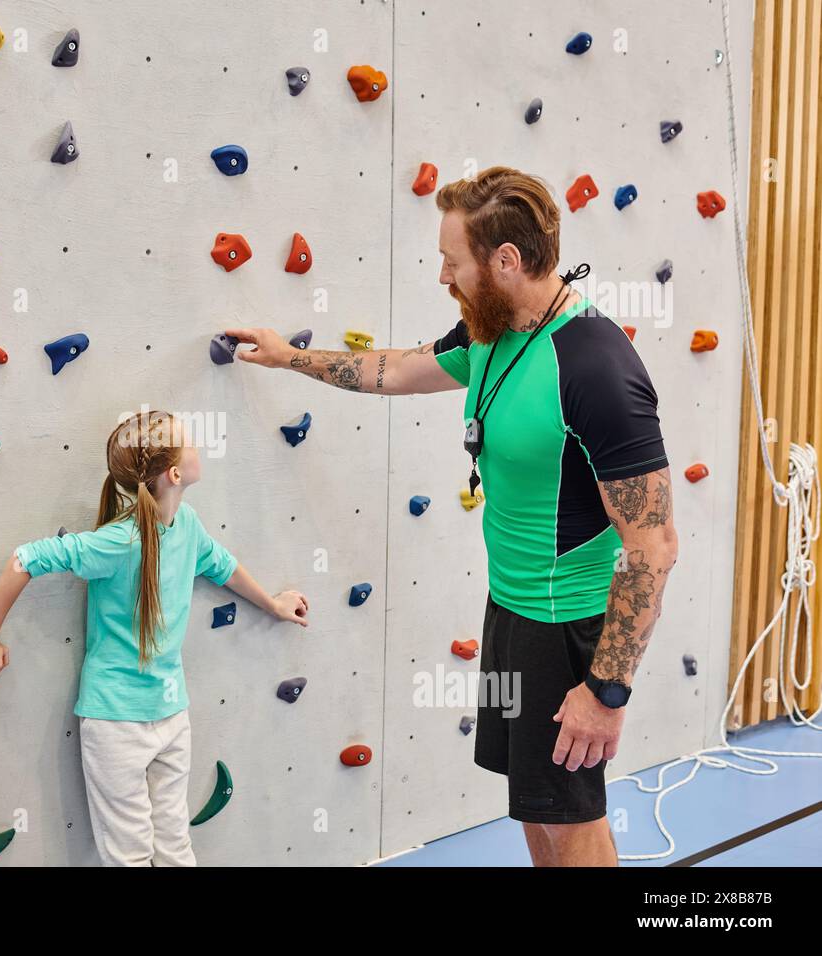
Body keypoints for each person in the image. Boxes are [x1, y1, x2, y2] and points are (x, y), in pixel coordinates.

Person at [226, 166, 679, 866]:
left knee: (573, 819)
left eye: (452, 262)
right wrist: (289, 359)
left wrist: (606, 689)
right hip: (514, 611)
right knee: (539, 809)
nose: (443, 276)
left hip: (571, 629)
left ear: (506, 261)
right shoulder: (494, 332)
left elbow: (652, 546)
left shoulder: (595, 367)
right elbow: (401, 369)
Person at [0, 409, 309, 865]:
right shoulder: (117, 541)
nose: (198, 447)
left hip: (171, 714)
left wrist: (272, 603)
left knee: (174, 848)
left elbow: (222, 567)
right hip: (115, 724)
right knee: (126, 855)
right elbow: (25, 559)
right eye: (189, 442)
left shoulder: (187, 526)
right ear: (173, 473)